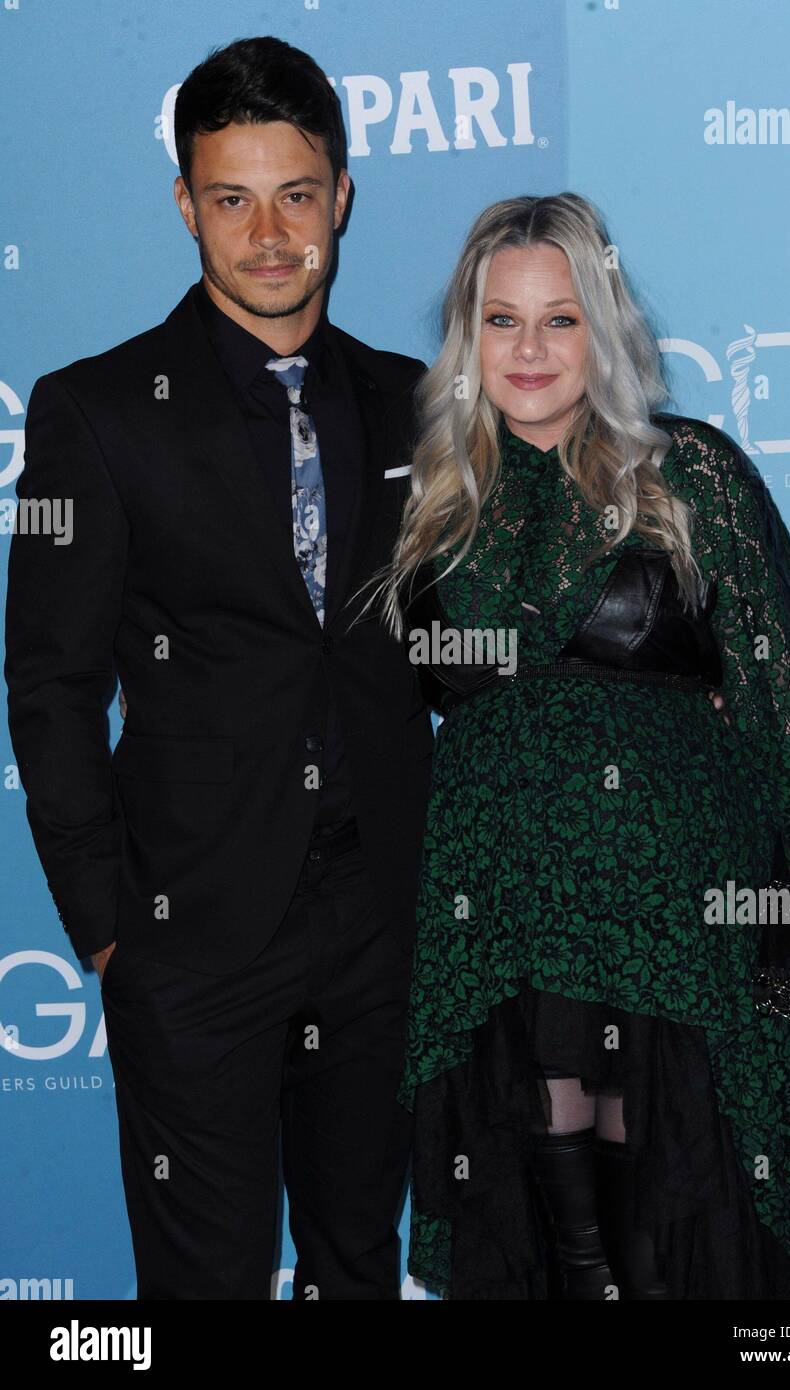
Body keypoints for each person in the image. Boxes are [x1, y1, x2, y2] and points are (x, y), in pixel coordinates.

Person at [379, 193, 790, 1300]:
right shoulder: (429, 500)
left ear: (602, 330)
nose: (529, 350)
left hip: (672, 894)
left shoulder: (689, 472)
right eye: (501, 320)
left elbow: (781, 690)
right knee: (548, 1204)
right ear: (466, 339)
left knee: (678, 1198)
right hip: (501, 905)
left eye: (560, 319)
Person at [4, 36, 432, 1300]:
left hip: (379, 923)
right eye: (231, 198)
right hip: (187, 935)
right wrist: (103, 928)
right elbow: (50, 681)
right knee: (205, 1282)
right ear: (186, 205)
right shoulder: (93, 412)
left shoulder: (416, 401)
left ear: (342, 195)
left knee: (359, 1261)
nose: (268, 232)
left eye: (296, 193)